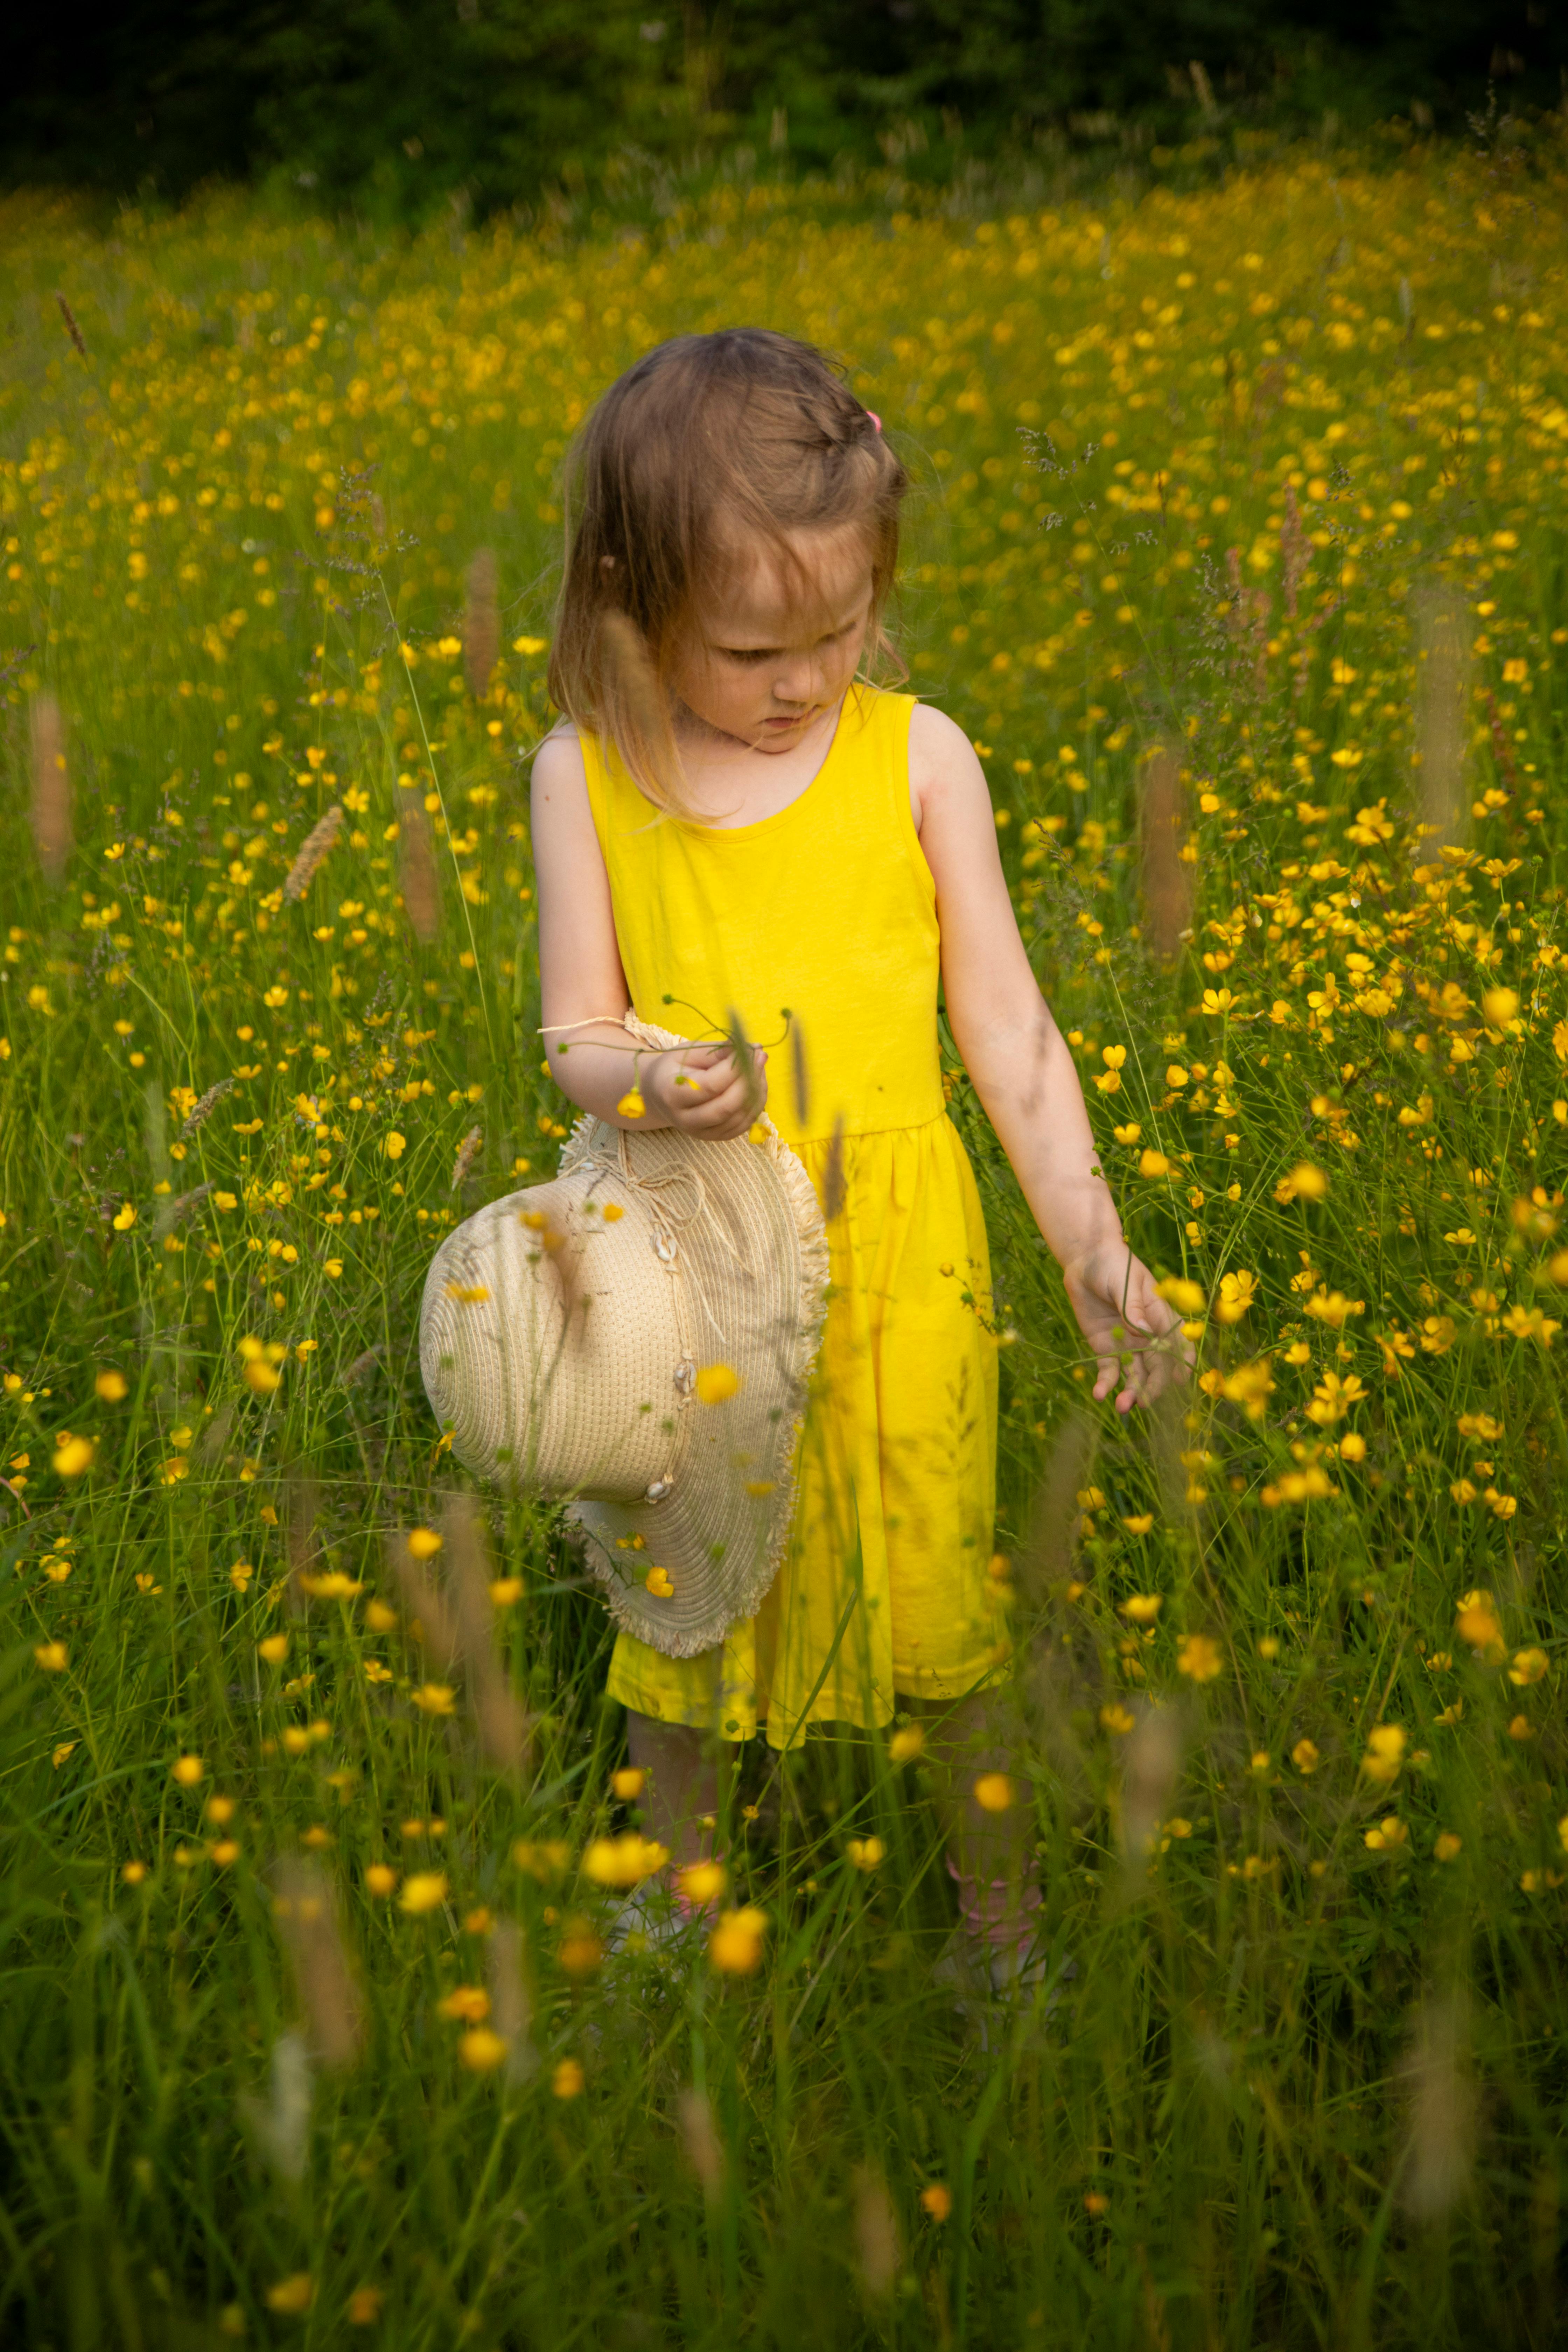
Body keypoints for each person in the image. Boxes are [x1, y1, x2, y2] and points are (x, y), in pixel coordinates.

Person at [530, 327, 1185, 1990]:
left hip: (900, 1260)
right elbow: (574, 1033)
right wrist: (648, 1080)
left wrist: (1090, 1246)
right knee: (682, 1598)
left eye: (840, 628)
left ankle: (998, 1929)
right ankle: (682, 1903)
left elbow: (1011, 1036)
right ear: (630, 606)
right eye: (754, 648)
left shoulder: (920, 757)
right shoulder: (584, 777)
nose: (806, 679)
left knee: (938, 1593)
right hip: (691, 1253)